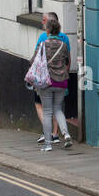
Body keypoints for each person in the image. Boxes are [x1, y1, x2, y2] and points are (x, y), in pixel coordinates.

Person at [33, 13, 70, 144]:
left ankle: (48, 140)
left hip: (47, 81)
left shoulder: (43, 42)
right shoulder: (64, 43)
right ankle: (65, 134)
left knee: (47, 111)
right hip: (62, 81)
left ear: (48, 29)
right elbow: (67, 62)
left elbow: (35, 61)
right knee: (58, 109)